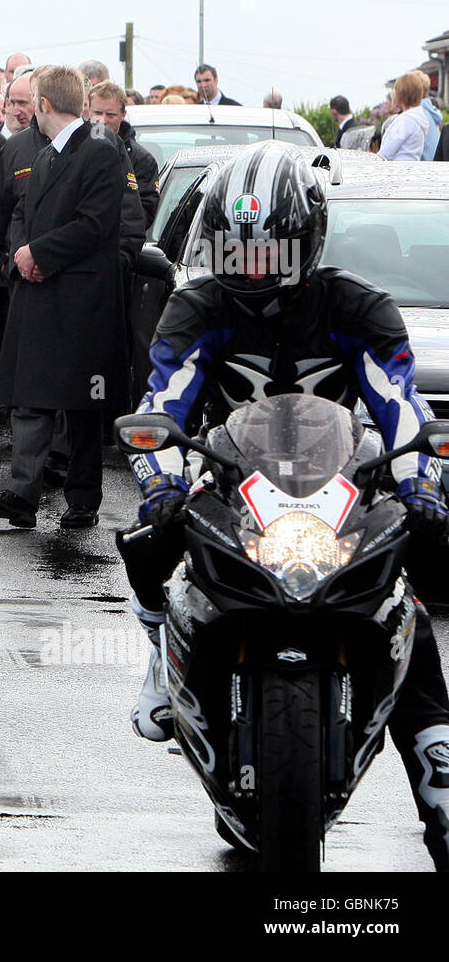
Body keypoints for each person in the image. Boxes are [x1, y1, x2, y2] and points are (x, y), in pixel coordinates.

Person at [118, 142, 449, 869]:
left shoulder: (357, 307)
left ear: (307, 243)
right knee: (148, 539)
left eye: (266, 250)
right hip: (228, 484)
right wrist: (163, 478)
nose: (248, 264)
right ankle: (160, 655)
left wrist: (422, 482)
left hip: (342, 491)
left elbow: (400, 407)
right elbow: (162, 404)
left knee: (407, 613)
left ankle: (442, 800)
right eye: (235, 247)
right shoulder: (195, 305)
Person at [0, 66, 135, 530]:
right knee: (32, 396)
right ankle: (22, 496)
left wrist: (39, 253)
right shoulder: (44, 155)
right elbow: (21, 210)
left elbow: (96, 222)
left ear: (43, 104)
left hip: (82, 298)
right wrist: (21, 254)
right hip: (40, 291)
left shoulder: (102, 151)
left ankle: (82, 500)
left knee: (82, 403)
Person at [88, 80, 159, 224]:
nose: (102, 121)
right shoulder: (73, 149)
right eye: (97, 113)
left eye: (110, 115)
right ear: (88, 111)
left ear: (123, 114)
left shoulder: (142, 160)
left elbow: (143, 215)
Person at [380, 72, 432, 161]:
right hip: (410, 168)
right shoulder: (420, 118)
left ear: (400, 95)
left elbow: (385, 153)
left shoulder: (405, 121)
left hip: (396, 170)